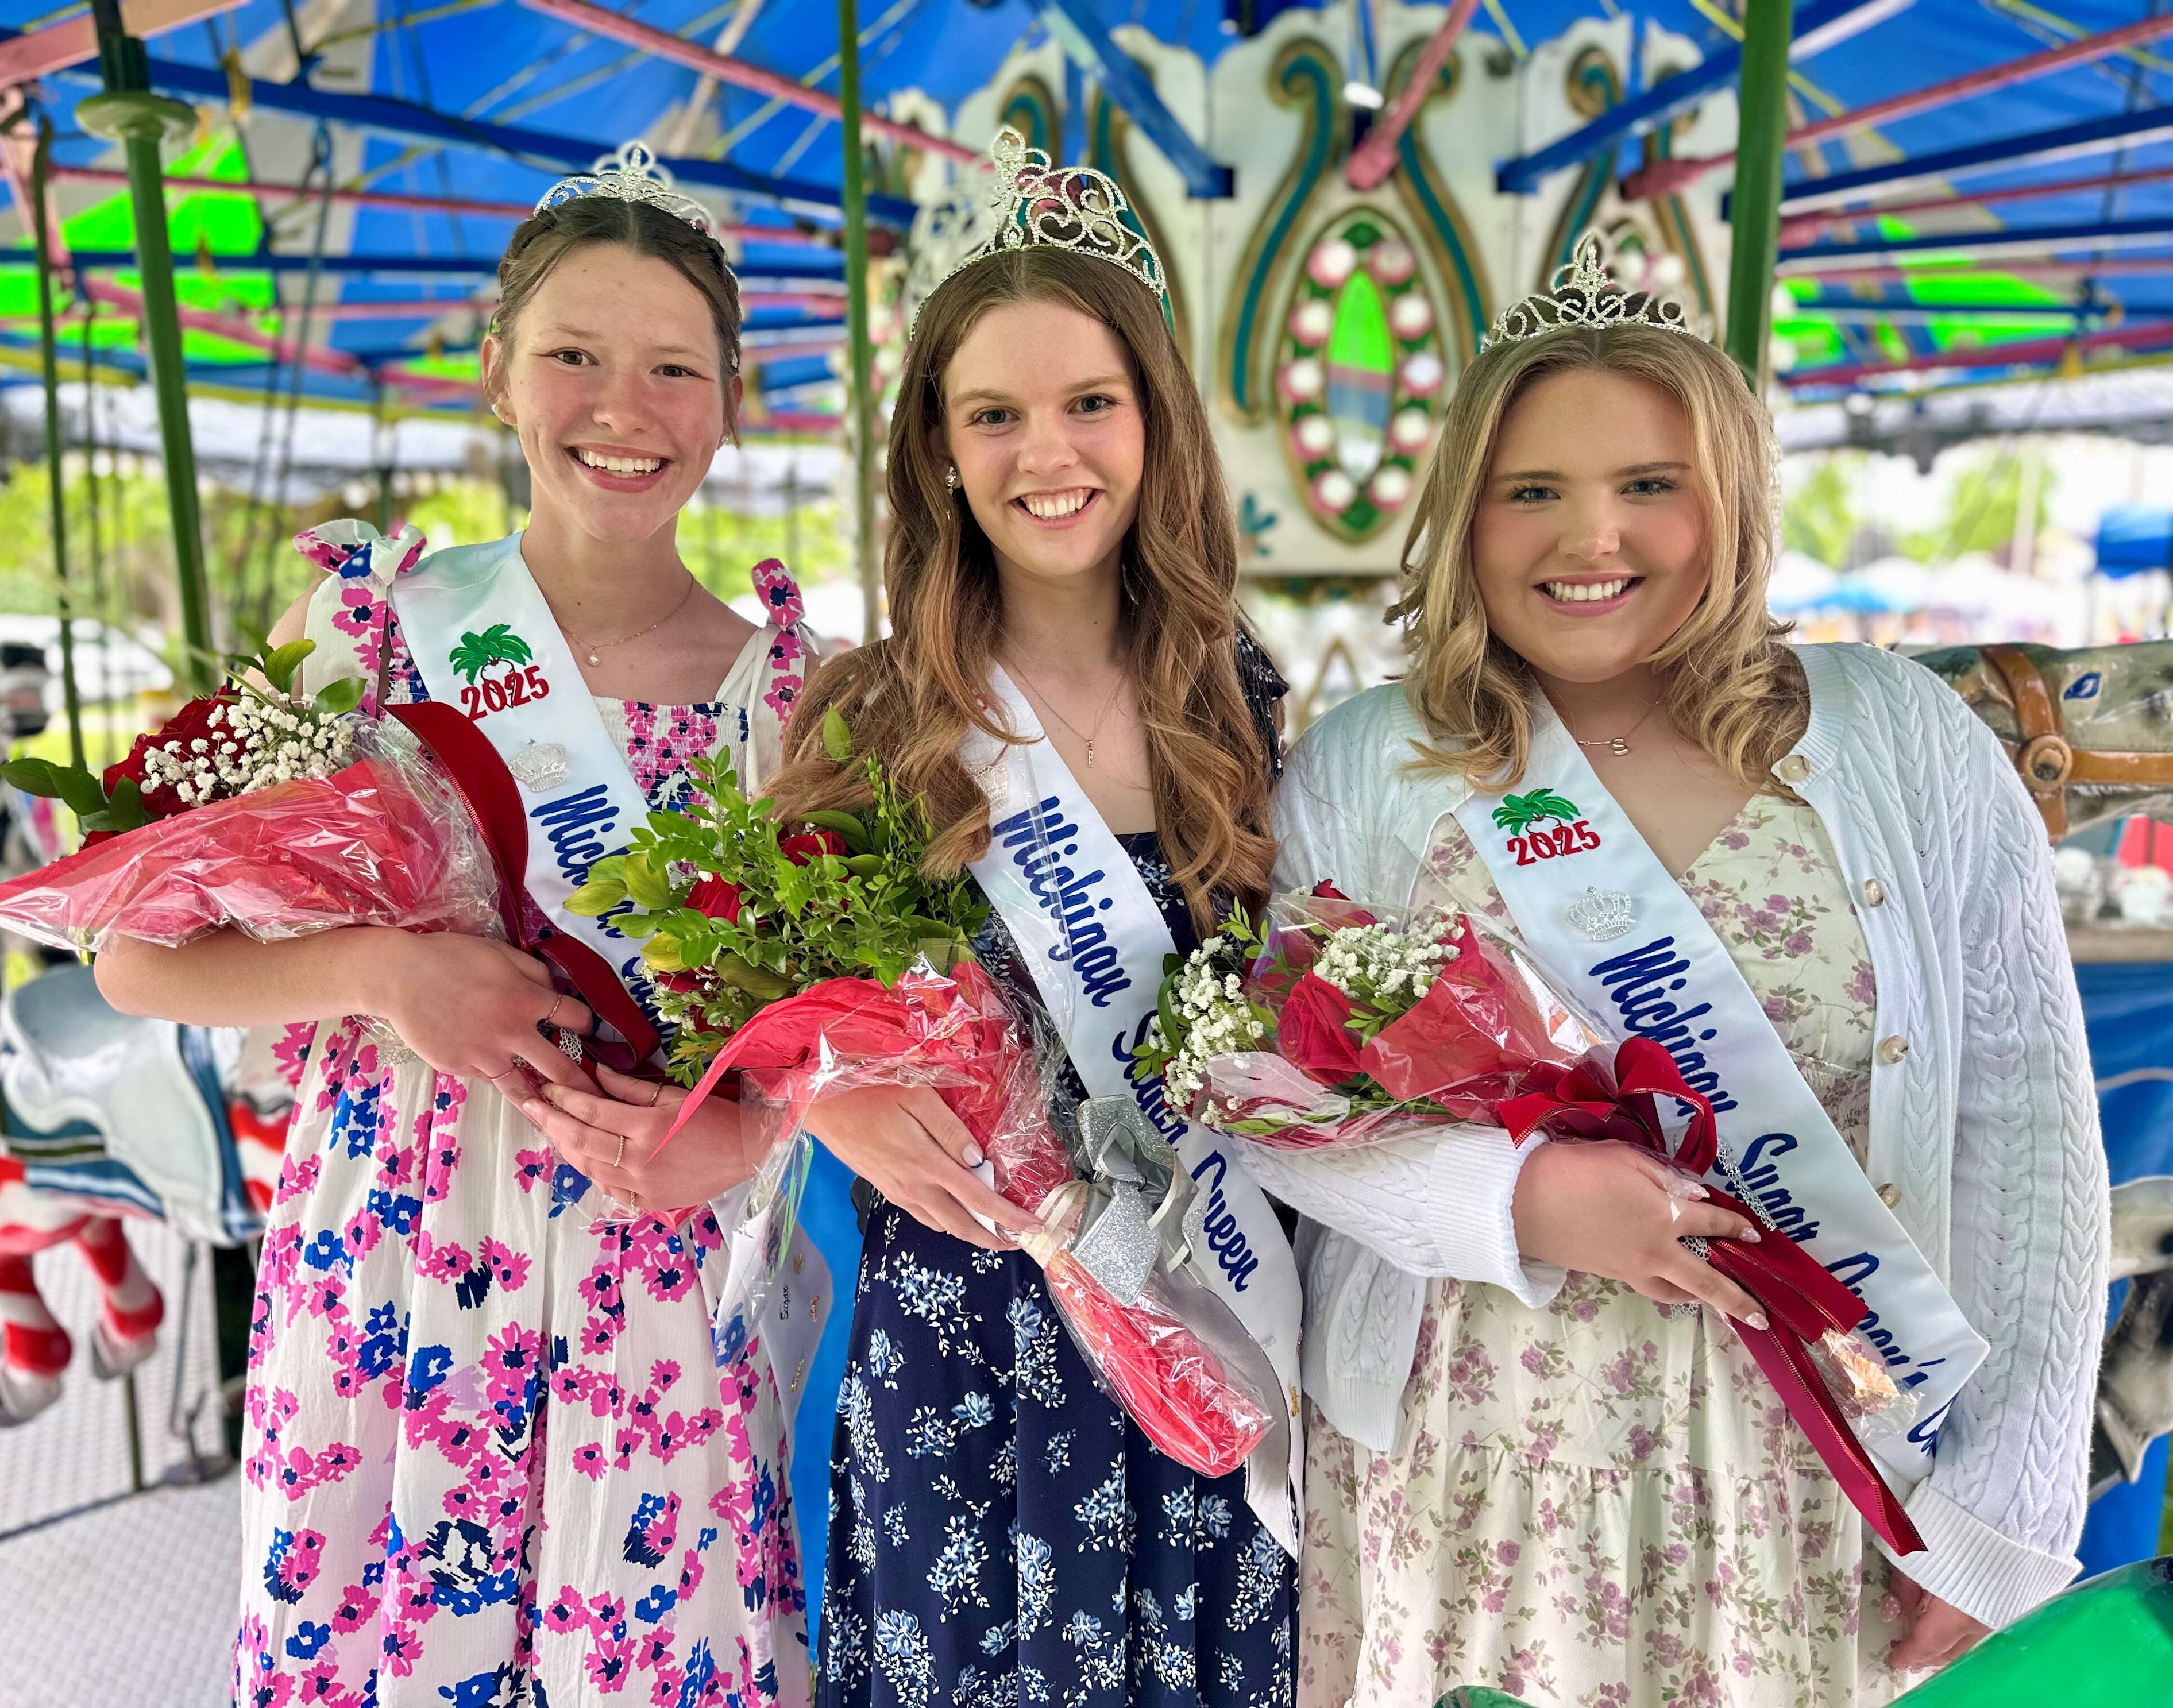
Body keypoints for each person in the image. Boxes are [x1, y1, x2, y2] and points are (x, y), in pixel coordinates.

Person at [1255, 235, 2109, 1707]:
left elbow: (2031, 1132)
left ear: (1734, 505)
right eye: (1534, 491)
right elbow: (1275, 1104)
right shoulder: (1372, 763)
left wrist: (2007, 1506)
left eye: (1651, 484)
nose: (1592, 538)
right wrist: (1512, 1199)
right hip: (1474, 1475)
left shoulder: (1903, 737)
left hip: (1832, 1487)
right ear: (1466, 518)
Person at [94, 146, 820, 1708]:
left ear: (726, 399)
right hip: (390, 1280)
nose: (621, 406)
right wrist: (380, 971)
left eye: (671, 367)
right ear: (497, 373)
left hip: (659, 1294)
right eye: (572, 354)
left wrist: (750, 1131)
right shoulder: (368, 635)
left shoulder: (793, 694)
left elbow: (825, 1029)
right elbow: (132, 949)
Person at [766, 132, 1300, 1708]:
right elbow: (752, 1012)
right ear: (934, 446)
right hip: (962, 1352)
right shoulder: (868, 716)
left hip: (1202, 1324)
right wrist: (824, 1089)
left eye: (1086, 402)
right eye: (989, 413)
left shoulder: (1242, 700)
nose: (1041, 450)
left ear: (1153, 422)